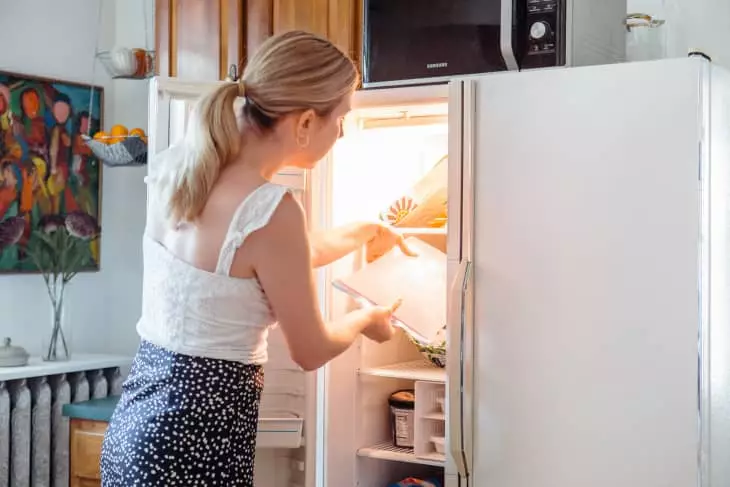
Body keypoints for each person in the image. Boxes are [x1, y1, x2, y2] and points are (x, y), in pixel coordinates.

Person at [100, 30, 415, 486]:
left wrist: (365, 231)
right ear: (305, 123)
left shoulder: (180, 167)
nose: (341, 133)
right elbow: (311, 350)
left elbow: (260, 265)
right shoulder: (272, 209)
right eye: (340, 119)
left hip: (138, 432)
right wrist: (367, 318)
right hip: (197, 445)